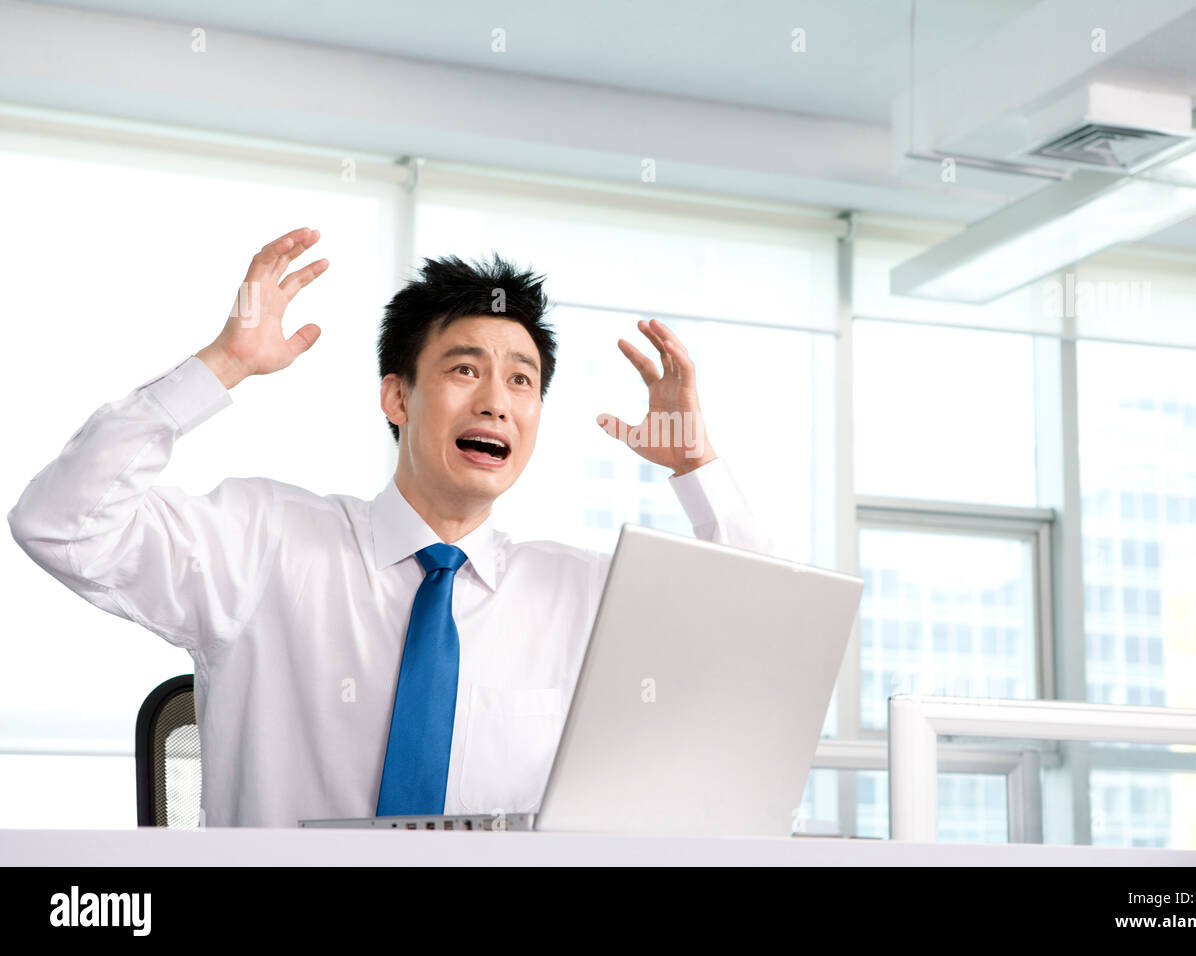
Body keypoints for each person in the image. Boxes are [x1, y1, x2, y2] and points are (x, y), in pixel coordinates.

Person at [7, 226, 771, 828]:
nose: (496, 402)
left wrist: (696, 469)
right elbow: (59, 524)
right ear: (396, 399)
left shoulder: (580, 594)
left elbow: (756, 653)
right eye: (465, 369)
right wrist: (220, 365)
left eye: (522, 380)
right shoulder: (264, 541)